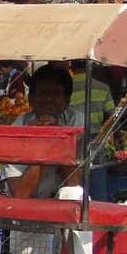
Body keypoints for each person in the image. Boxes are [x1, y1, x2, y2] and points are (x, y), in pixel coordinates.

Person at [7, 64, 84, 199]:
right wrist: (43, 145)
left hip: (61, 200)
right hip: (26, 203)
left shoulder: (76, 120)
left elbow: (74, 182)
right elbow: (20, 194)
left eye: (56, 94)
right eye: (43, 93)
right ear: (30, 99)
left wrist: (58, 137)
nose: (49, 99)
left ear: (67, 100)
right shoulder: (18, 127)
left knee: (74, 192)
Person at [69, 60, 116, 130]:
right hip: (96, 134)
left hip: (72, 134)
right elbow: (112, 115)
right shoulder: (103, 88)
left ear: (72, 68)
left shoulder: (66, 87)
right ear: (90, 67)